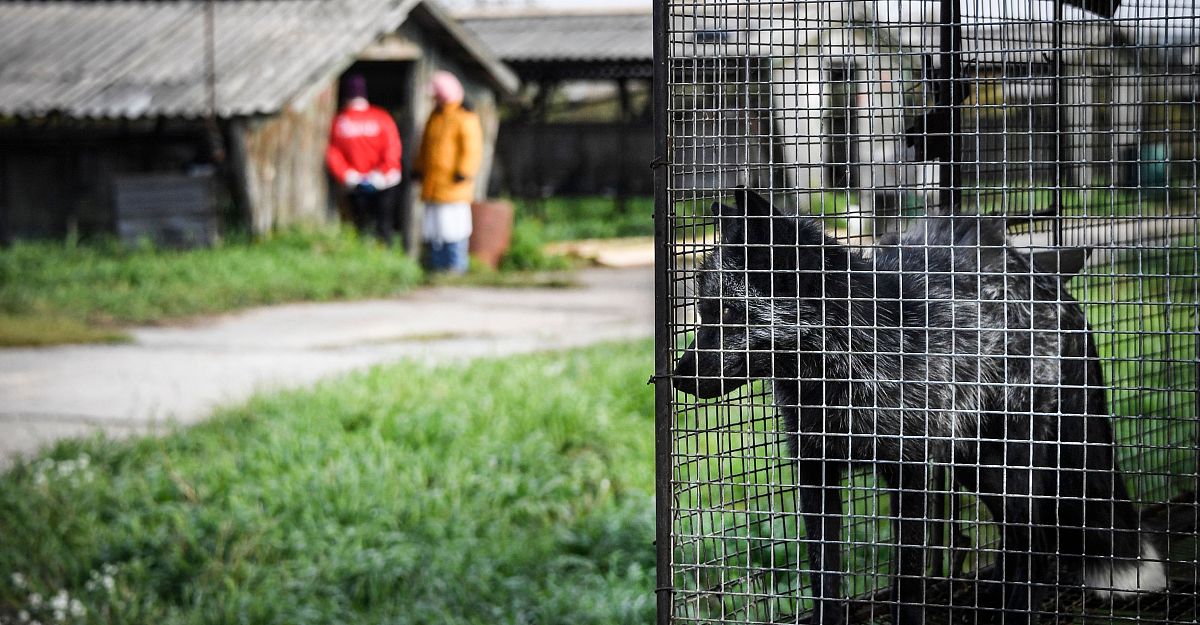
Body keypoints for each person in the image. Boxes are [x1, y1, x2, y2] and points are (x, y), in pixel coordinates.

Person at [414, 71, 483, 274]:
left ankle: (455, 266)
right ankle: (436, 267)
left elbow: (472, 149)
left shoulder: (464, 117)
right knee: (434, 228)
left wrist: (464, 171)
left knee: (453, 227)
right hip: (434, 183)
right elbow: (425, 148)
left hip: (453, 185)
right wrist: (418, 169)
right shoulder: (434, 117)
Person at [325, 74, 402, 244]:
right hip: (385, 182)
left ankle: (362, 255)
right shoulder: (382, 117)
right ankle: (386, 256)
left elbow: (333, 153)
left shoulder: (340, 121)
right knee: (384, 223)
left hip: (356, 183)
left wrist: (347, 175)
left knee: (360, 225)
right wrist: (382, 173)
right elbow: (393, 147)